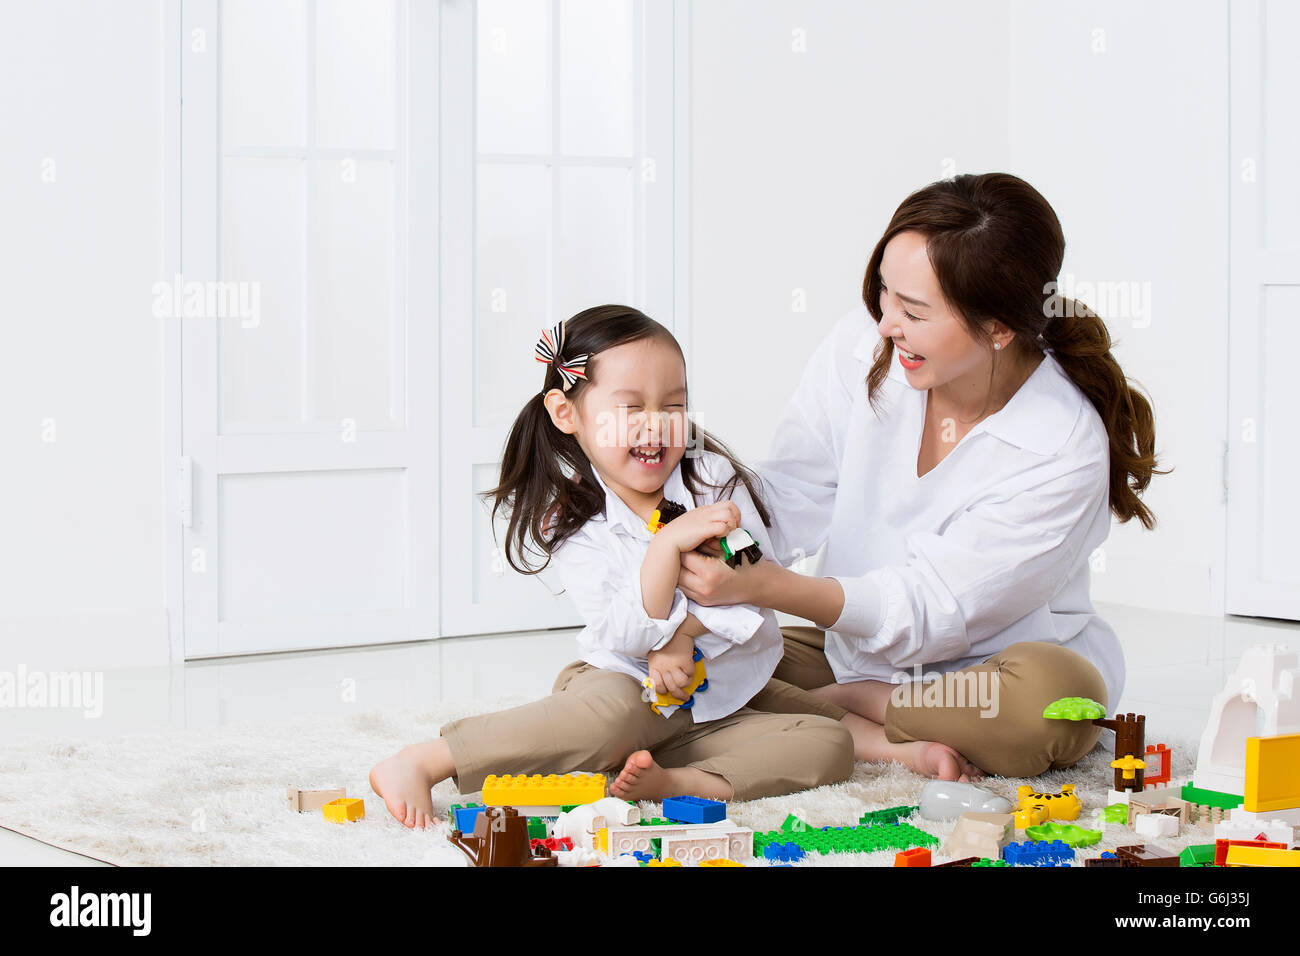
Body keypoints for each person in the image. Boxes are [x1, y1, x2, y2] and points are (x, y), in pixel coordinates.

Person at [677, 173, 1166, 778]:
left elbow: (930, 611)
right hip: (850, 649)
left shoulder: (1060, 441)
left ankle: (852, 711)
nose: (885, 324)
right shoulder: (861, 350)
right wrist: (702, 524)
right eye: (884, 293)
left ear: (997, 327)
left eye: (913, 310)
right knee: (660, 668)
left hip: (990, 673)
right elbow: (792, 493)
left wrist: (766, 587)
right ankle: (860, 724)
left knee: (1050, 711)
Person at [369, 305, 860, 830]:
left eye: (673, 406)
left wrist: (682, 637)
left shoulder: (713, 482)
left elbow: (754, 581)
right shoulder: (574, 521)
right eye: (631, 408)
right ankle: (425, 759)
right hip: (625, 685)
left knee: (828, 743)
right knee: (612, 721)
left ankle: (668, 783)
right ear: (567, 414)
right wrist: (665, 548)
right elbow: (623, 634)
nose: (656, 425)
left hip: (714, 704)